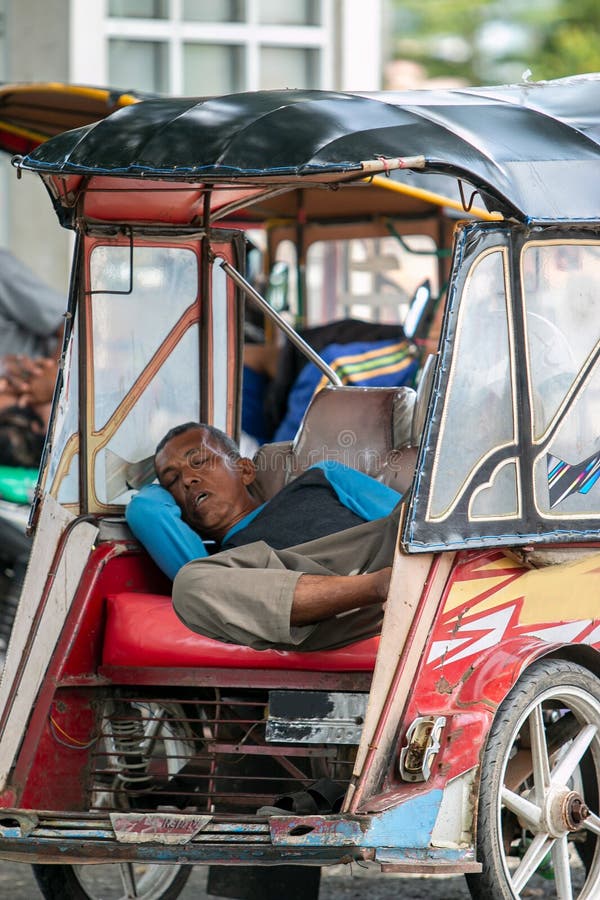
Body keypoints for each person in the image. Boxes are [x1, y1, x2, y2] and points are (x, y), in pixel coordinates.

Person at [126, 422, 403, 652]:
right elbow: (145, 510)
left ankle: (396, 583)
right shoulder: (224, 567)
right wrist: (151, 486)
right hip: (333, 617)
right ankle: (379, 586)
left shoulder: (321, 479)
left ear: (245, 470)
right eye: (172, 481)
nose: (187, 479)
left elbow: (405, 520)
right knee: (189, 585)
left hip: (387, 560)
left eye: (199, 461)